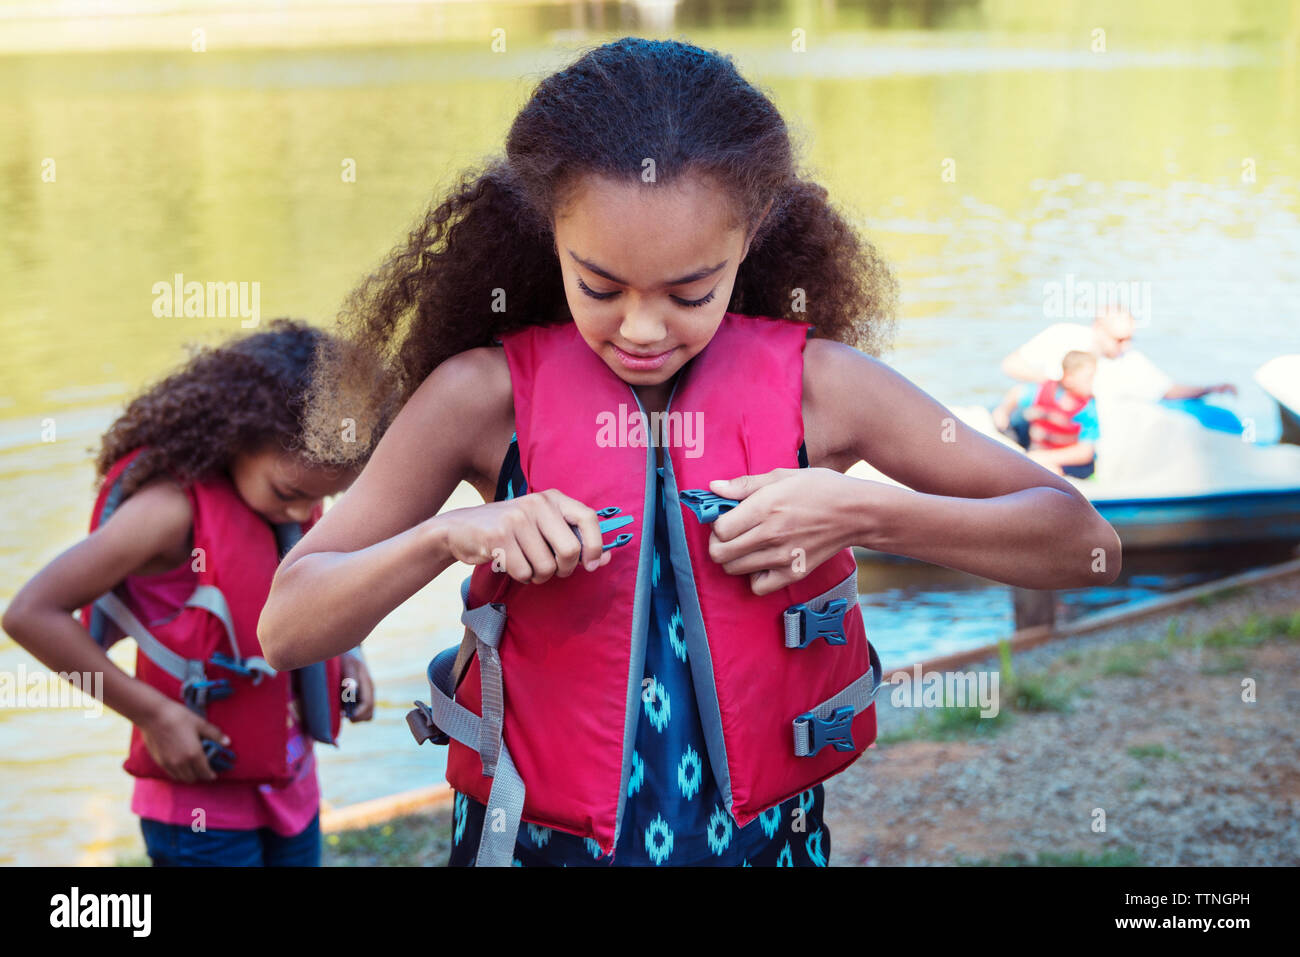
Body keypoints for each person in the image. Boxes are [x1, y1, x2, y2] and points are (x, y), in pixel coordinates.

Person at [258, 37, 1120, 867]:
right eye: (597, 284)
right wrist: (449, 535)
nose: (639, 328)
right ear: (547, 231)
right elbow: (288, 627)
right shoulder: (480, 399)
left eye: (689, 291)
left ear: (750, 237)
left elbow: (1085, 544)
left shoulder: (827, 389)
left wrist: (864, 511)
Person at [2, 319, 377, 866]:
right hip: (199, 808)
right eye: (290, 494)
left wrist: (349, 652)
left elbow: (309, 587)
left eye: (322, 498)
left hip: (292, 786)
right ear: (236, 435)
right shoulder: (166, 512)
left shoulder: (293, 489)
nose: (302, 514)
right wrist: (154, 716)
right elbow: (31, 613)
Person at [999, 305, 1236, 406]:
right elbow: (1011, 365)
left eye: (1130, 339)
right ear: (1098, 328)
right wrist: (1057, 385)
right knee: (1022, 396)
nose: (1126, 346)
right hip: (1045, 413)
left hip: (1085, 431)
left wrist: (1210, 389)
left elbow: (1167, 390)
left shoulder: (1132, 361)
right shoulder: (1062, 335)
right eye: (1119, 339)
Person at [993, 351, 1100, 478]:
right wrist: (1003, 411)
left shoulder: (1087, 408)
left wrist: (1045, 458)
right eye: (1089, 378)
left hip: (1071, 466)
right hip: (1039, 455)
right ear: (1069, 379)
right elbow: (1017, 393)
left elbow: (1085, 452)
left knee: (1052, 472)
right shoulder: (1044, 391)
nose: (1095, 383)